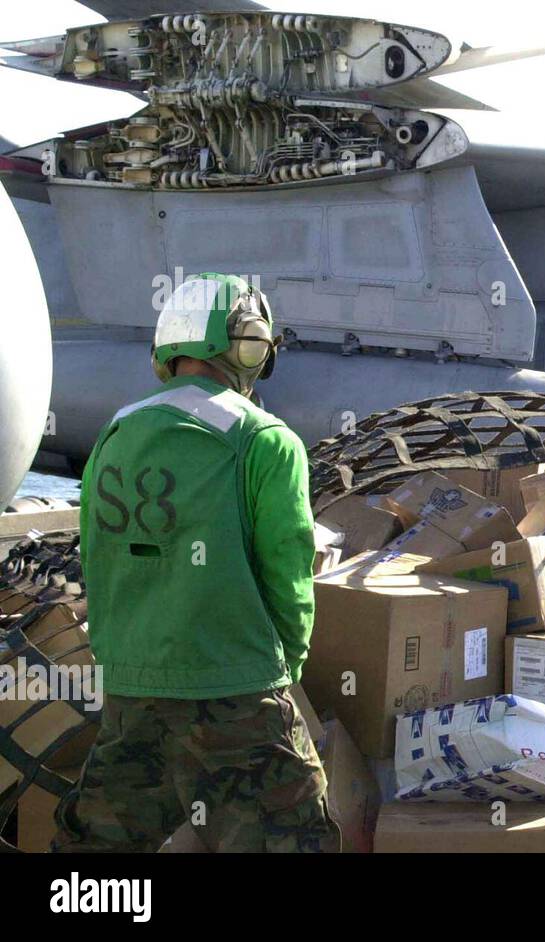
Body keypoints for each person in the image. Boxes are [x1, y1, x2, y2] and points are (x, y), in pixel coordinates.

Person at [53, 273, 339, 853]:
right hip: (237, 687)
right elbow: (289, 572)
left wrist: (123, 665)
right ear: (248, 347)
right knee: (291, 838)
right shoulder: (266, 440)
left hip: (132, 692)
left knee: (97, 855)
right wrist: (285, 664)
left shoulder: (116, 432)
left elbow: (97, 560)